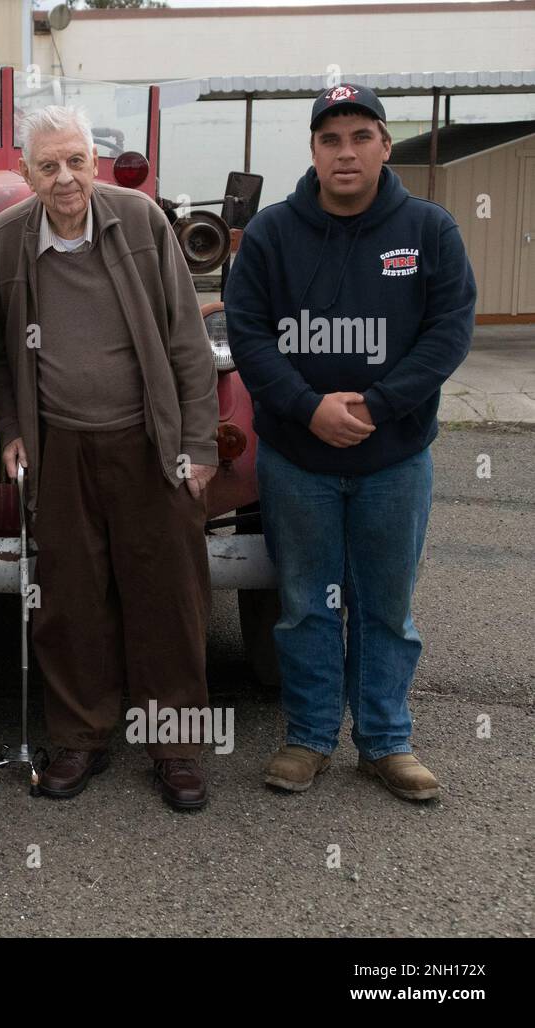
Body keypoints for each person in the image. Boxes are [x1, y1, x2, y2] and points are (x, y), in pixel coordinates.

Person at [225, 84, 476, 801]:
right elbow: (248, 333)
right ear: (313, 150)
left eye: (360, 136)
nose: (345, 152)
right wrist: (307, 409)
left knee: (385, 604)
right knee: (305, 603)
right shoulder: (273, 233)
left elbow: (450, 328)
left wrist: (378, 403)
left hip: (393, 458)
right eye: (330, 139)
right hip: (296, 459)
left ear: (384, 146)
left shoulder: (429, 230)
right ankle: (307, 737)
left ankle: (386, 741)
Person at [0, 105, 219, 810]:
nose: (64, 179)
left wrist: (199, 443)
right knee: (67, 601)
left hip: (150, 444)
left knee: (169, 599)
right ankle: (80, 738)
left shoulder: (141, 224)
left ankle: (175, 748)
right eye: (48, 165)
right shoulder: (3, 241)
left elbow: (187, 342)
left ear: (95, 162)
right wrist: (11, 427)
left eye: (76, 161)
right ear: (26, 173)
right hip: (61, 447)